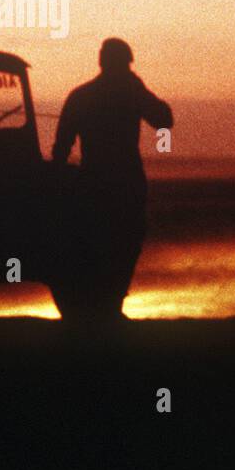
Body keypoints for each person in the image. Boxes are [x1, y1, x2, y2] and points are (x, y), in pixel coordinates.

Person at [51, 38, 173, 320]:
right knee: (126, 242)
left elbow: (61, 147)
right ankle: (110, 306)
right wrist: (139, 87)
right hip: (125, 182)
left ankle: (100, 308)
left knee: (97, 243)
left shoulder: (81, 96)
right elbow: (164, 120)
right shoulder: (130, 91)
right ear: (123, 64)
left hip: (92, 182)